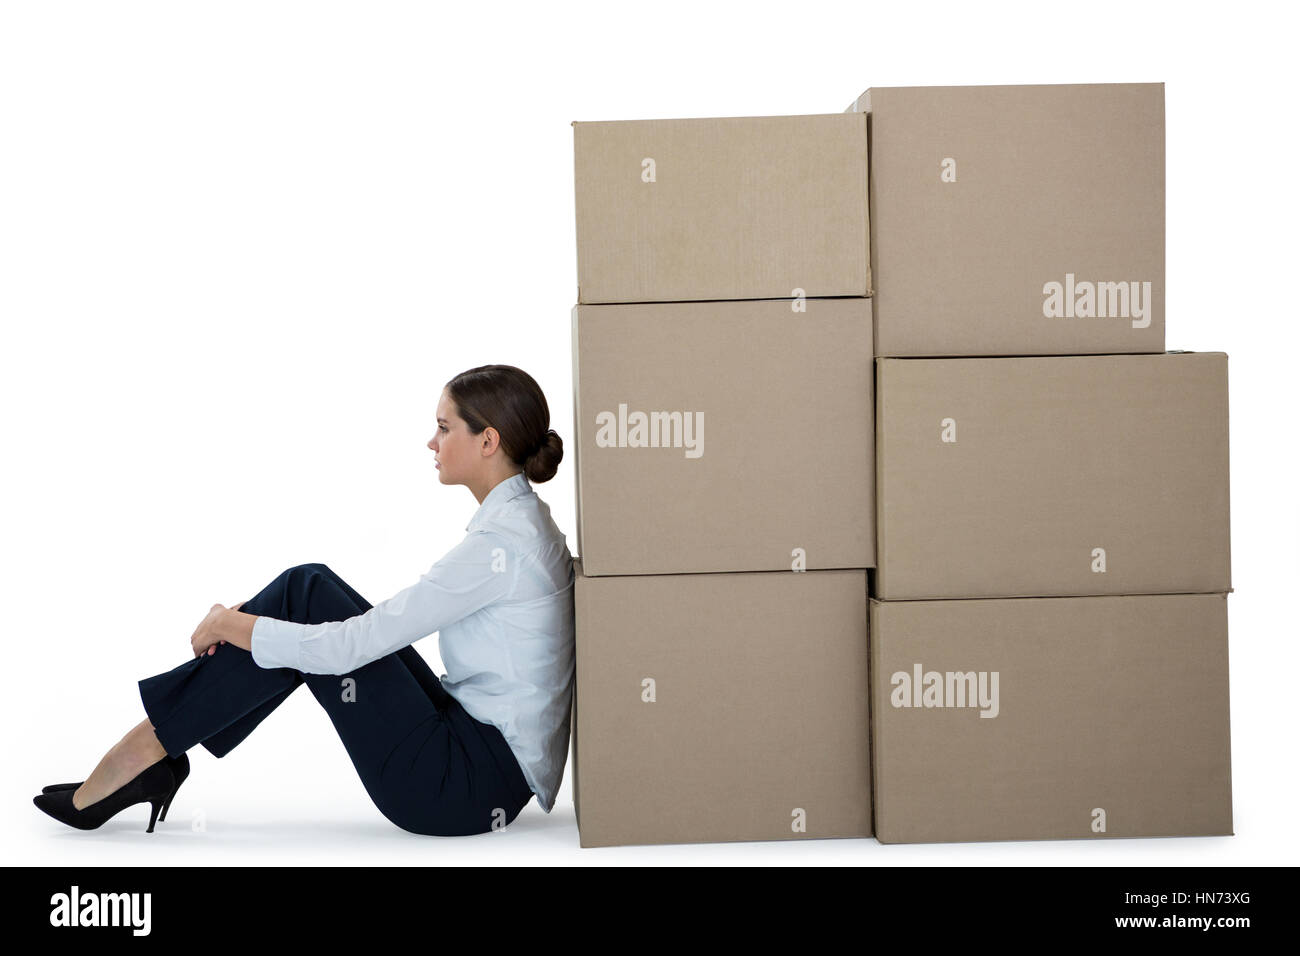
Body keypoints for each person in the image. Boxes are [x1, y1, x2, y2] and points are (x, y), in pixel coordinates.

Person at [33, 364, 576, 837]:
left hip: (456, 787)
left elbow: (349, 649)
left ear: (488, 441)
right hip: (482, 760)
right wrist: (248, 628)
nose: (430, 442)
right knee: (308, 587)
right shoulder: (526, 523)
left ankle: (145, 752)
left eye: (443, 427)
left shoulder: (497, 547)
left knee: (307, 609)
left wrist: (230, 623)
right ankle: (158, 747)